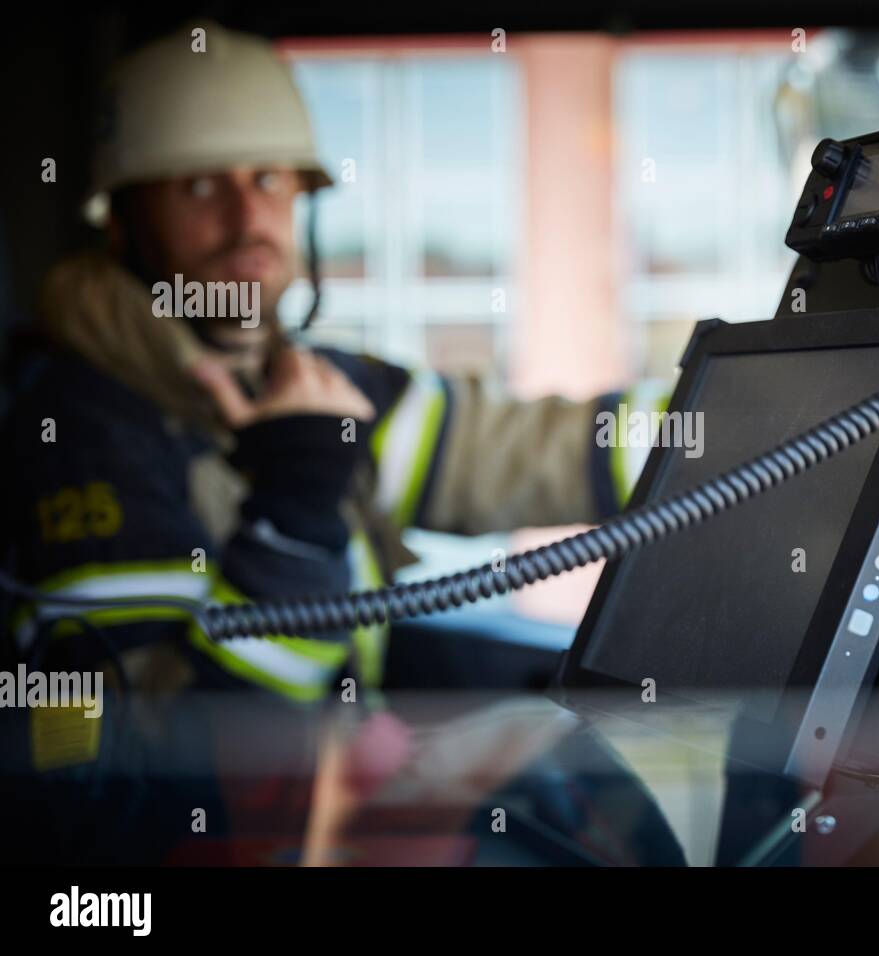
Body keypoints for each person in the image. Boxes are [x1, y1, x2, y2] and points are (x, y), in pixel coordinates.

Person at [1, 21, 659, 708]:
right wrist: (296, 510)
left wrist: (735, 423)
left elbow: (529, 453)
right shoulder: (77, 428)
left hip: (333, 791)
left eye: (267, 179)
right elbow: (173, 756)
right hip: (257, 814)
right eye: (198, 187)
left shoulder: (308, 384)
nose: (246, 217)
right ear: (122, 223)